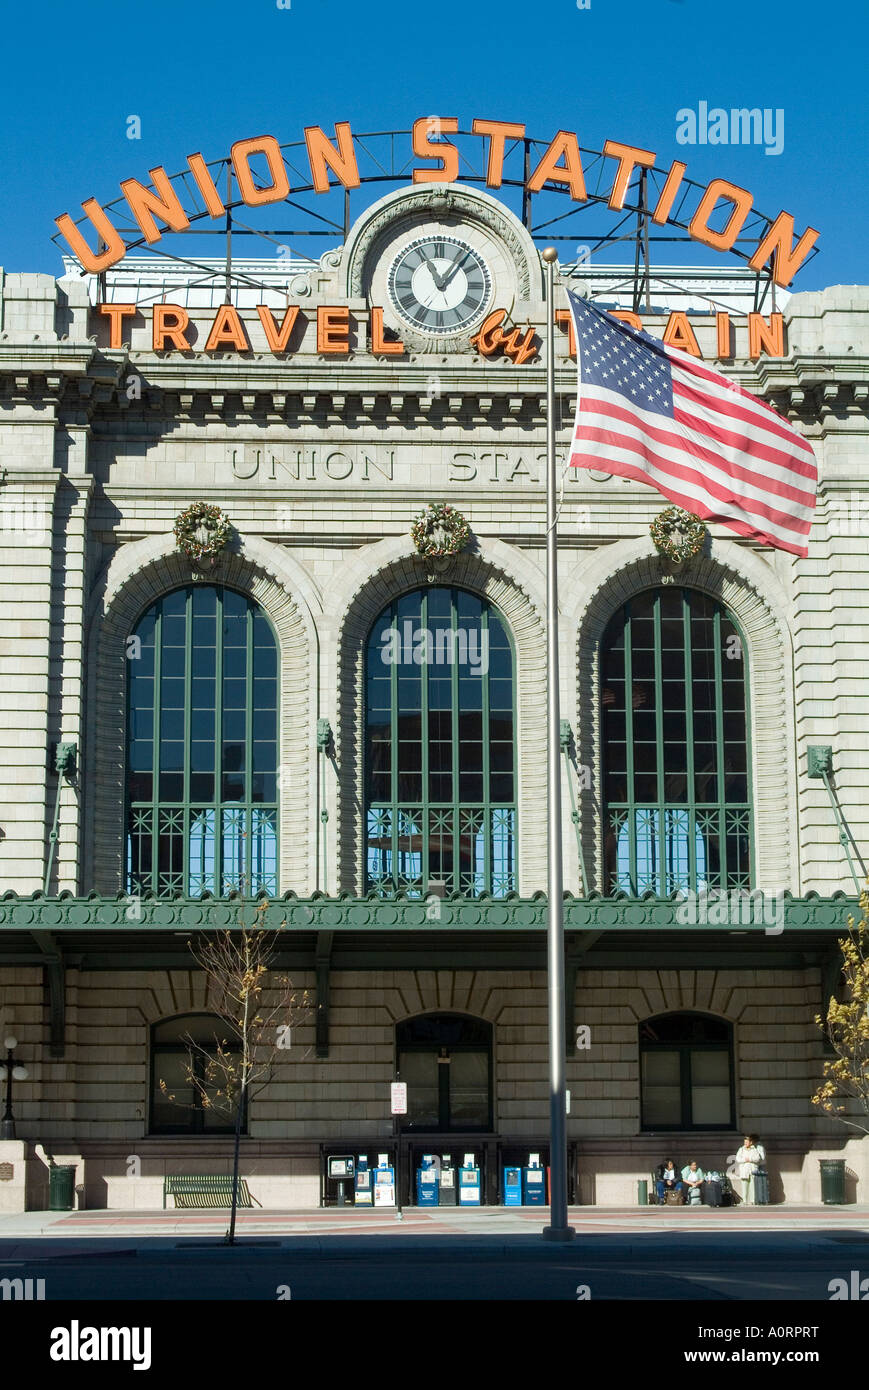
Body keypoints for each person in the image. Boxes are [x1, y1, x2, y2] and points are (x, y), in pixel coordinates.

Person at [735, 1134, 766, 1204]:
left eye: (747, 1142)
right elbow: (738, 1158)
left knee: (753, 1186)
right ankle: (745, 1200)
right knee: (744, 1186)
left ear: (751, 1142)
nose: (745, 1143)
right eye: (744, 1142)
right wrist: (745, 1160)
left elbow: (758, 1158)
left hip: (752, 1170)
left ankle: (752, 1200)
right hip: (744, 1170)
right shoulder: (741, 1149)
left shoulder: (754, 1149)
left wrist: (750, 1159)